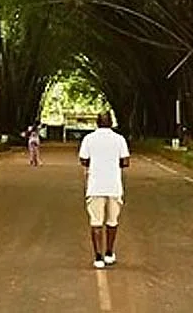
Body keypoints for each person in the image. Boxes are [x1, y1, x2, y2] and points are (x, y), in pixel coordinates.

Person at [78, 112, 130, 269]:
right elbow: (126, 161)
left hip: (95, 185)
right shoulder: (119, 139)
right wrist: (113, 165)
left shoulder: (89, 139)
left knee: (96, 222)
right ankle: (109, 252)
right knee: (112, 221)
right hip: (114, 185)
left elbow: (83, 159)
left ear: (97, 123)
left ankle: (98, 257)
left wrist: (96, 164)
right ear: (112, 122)